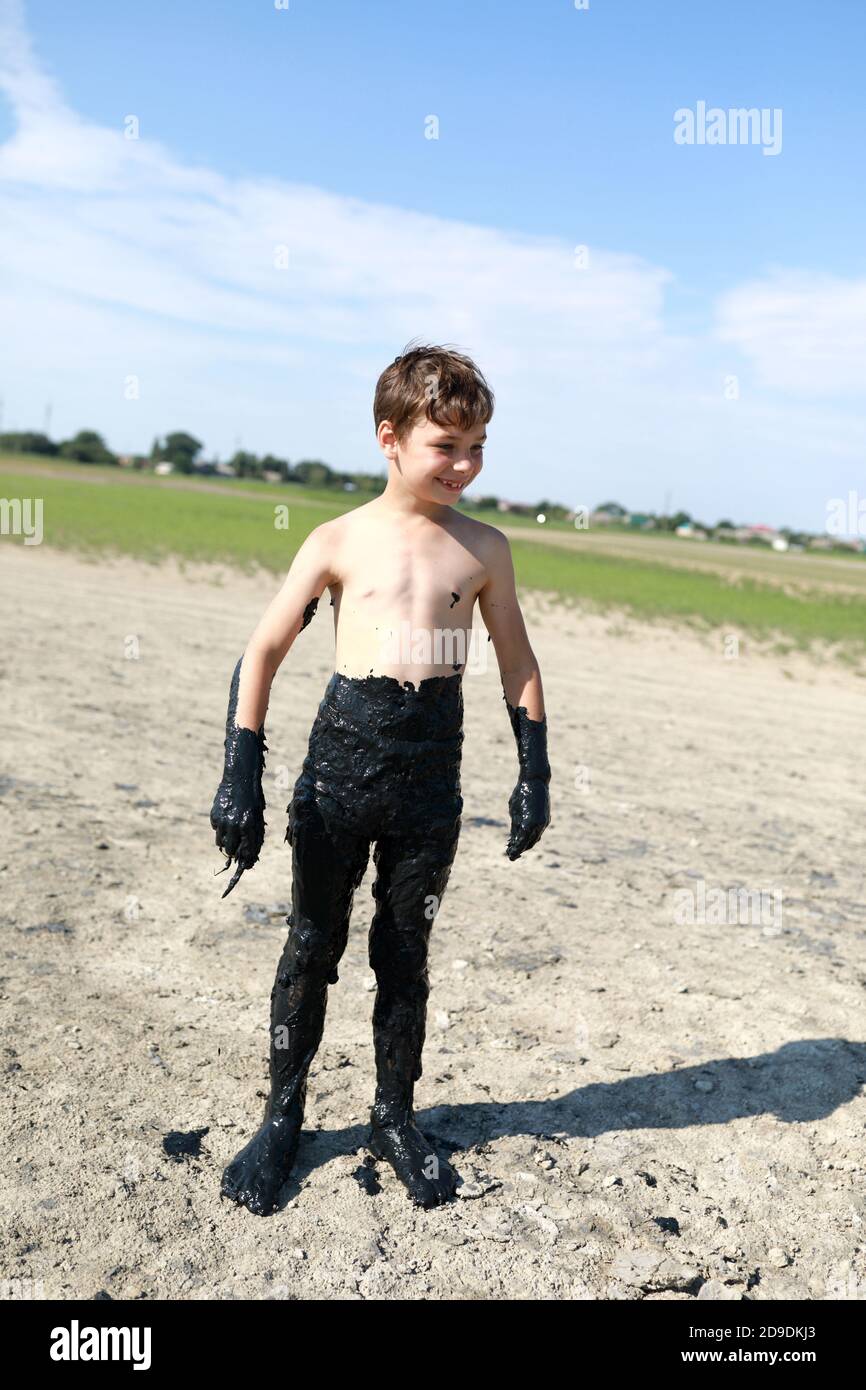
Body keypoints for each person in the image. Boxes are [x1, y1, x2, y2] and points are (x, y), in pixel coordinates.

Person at [211, 342, 551, 1215]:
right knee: (310, 947)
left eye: (478, 446)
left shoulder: (485, 549)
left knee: (405, 958)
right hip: (337, 775)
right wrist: (240, 773)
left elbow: (516, 659)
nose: (465, 465)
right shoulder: (337, 540)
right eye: (447, 446)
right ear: (389, 437)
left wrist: (533, 771)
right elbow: (264, 650)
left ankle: (393, 1116)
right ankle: (282, 1118)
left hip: (428, 781)